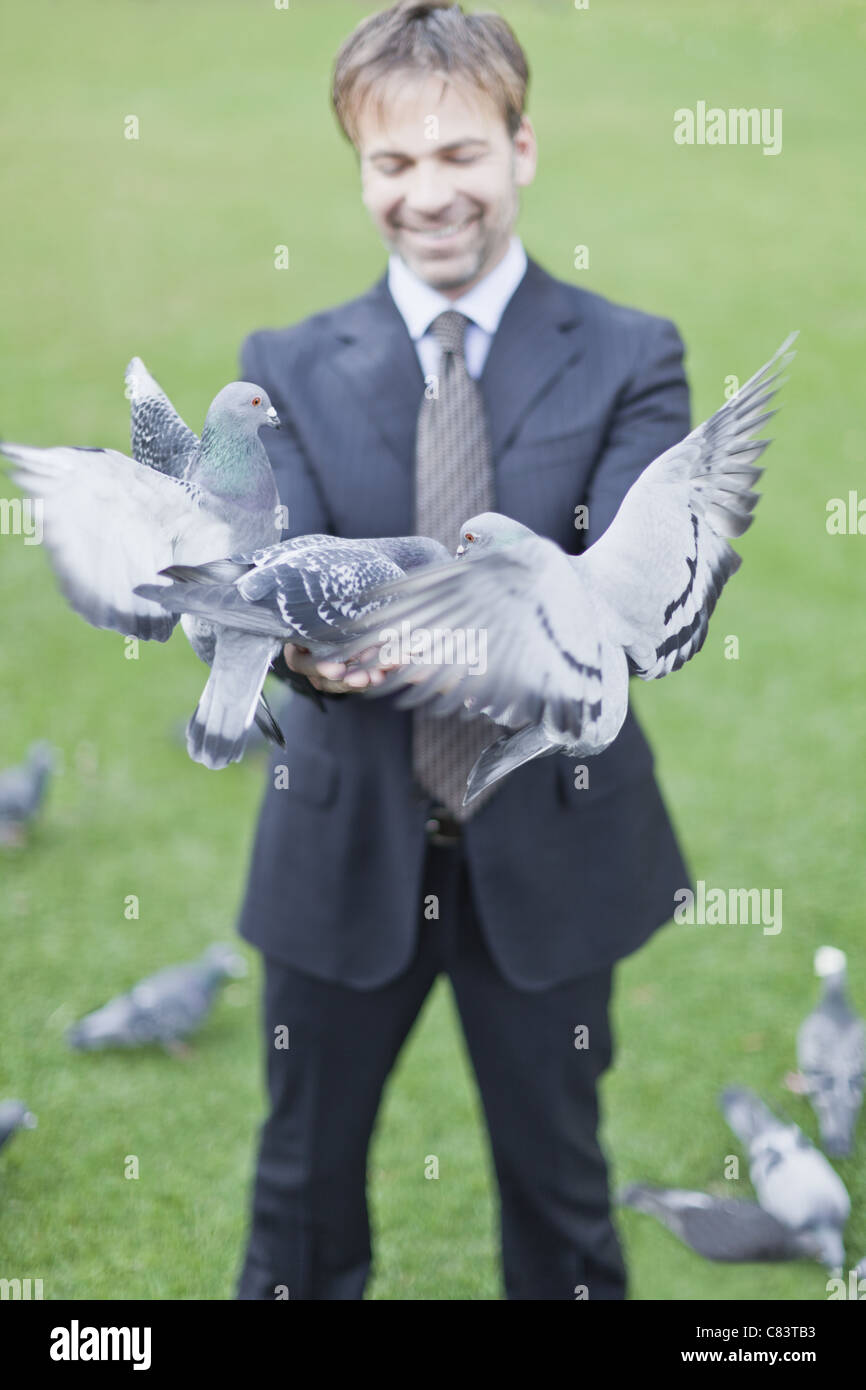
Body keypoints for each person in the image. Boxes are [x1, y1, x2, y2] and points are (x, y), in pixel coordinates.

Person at [235, 0, 691, 1301]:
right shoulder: (284, 366)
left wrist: (378, 627)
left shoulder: (626, 354)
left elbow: (610, 617)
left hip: (553, 849)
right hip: (340, 847)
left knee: (562, 1203)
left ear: (521, 149)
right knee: (296, 1200)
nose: (428, 194)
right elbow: (282, 591)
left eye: (459, 155)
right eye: (392, 162)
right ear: (358, 169)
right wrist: (319, 641)